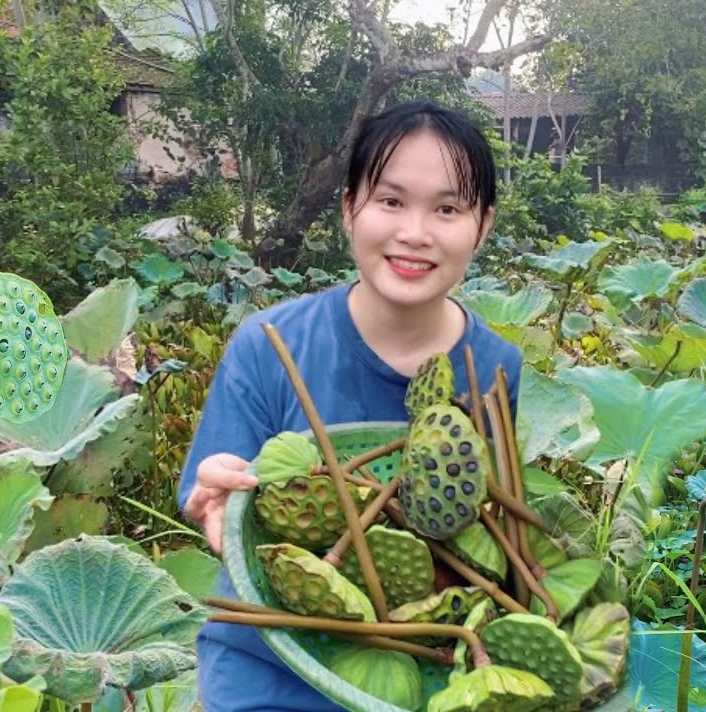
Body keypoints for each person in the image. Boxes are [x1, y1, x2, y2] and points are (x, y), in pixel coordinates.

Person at [179, 98, 524, 712]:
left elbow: (495, 539)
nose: (414, 232)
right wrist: (219, 502)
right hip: (266, 656)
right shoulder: (269, 346)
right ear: (348, 208)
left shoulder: (499, 371)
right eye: (390, 201)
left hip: (426, 670)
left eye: (447, 208)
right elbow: (217, 495)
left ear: (483, 226)